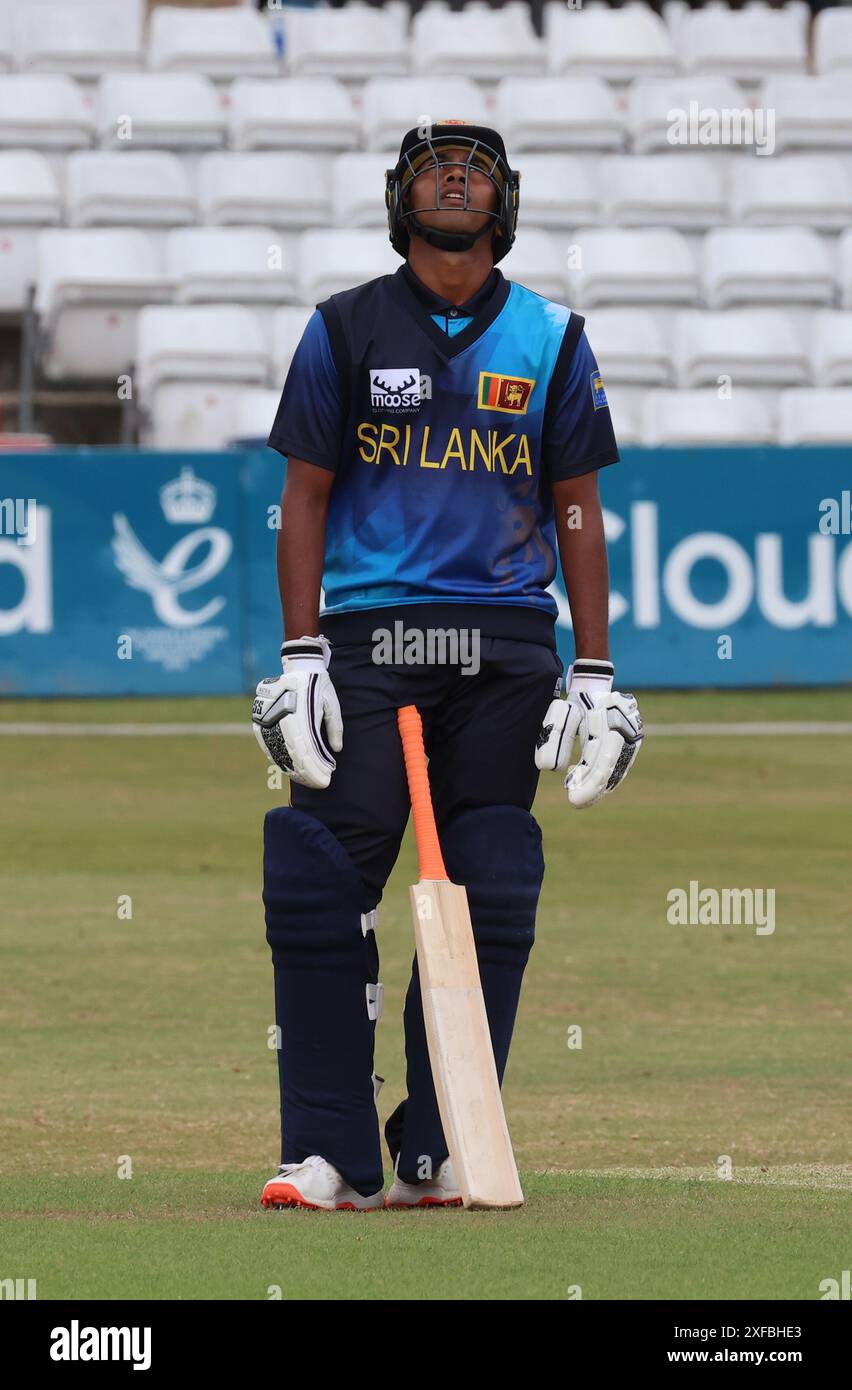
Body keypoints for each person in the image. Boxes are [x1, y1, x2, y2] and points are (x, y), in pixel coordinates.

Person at [252, 122, 644, 1211]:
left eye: (476, 171)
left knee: (494, 874)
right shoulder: (341, 329)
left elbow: (577, 506)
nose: (458, 182)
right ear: (401, 198)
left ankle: (437, 1142)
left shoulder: (554, 337)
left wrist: (597, 670)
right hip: (372, 639)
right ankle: (329, 1150)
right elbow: (306, 498)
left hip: (506, 642)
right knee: (319, 878)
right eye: (437, 168)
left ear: (506, 200)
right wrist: (300, 654)